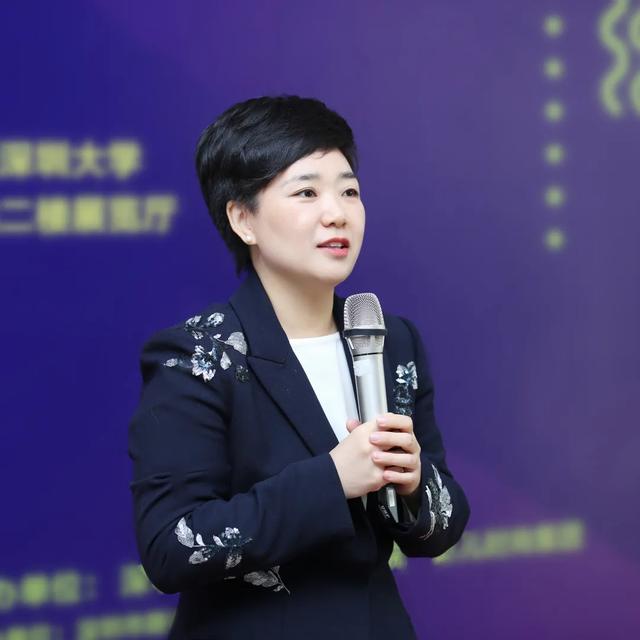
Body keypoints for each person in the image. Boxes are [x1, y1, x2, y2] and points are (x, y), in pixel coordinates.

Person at [128, 95, 470, 639]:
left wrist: (413, 483)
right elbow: (172, 546)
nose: (337, 213)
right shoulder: (200, 355)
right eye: (306, 192)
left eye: (349, 191)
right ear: (243, 219)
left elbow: (442, 529)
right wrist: (333, 480)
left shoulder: (389, 339)